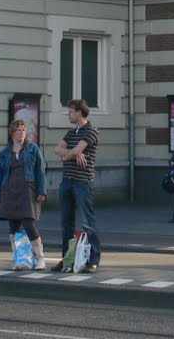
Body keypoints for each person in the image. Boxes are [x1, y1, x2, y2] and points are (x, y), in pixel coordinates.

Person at [53, 98, 100, 272]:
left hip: (82, 182)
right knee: (66, 223)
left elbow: (72, 151)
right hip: (67, 180)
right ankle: (68, 259)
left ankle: (93, 260)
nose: (68, 114)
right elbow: (57, 149)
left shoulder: (92, 131)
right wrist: (72, 154)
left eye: (71, 111)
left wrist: (68, 155)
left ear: (80, 112)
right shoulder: (71, 133)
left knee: (87, 223)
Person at [0, 119, 46, 270]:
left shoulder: (32, 149)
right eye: (18, 131)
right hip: (9, 191)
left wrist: (42, 191)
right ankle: (18, 258)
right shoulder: (5, 153)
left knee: (29, 223)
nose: (22, 133)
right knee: (13, 226)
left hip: (28, 190)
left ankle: (39, 257)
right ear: (12, 133)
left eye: (23, 130)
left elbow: (40, 171)